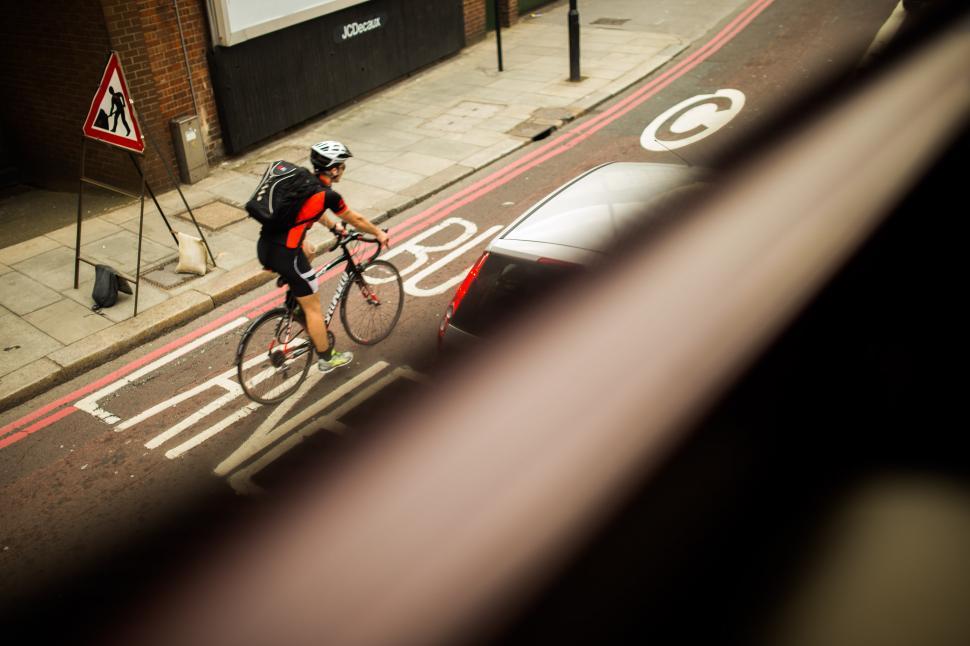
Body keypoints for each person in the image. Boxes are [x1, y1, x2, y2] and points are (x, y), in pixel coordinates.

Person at [257, 141, 390, 373]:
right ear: (334, 169)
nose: (343, 170)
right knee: (314, 309)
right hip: (286, 253)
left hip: (266, 246)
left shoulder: (306, 182)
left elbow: (314, 211)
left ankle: (294, 302)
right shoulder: (329, 195)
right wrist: (378, 233)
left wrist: (334, 227)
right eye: (342, 166)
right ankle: (327, 357)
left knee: (309, 250)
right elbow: (356, 220)